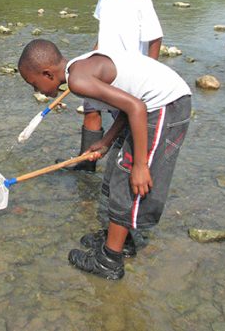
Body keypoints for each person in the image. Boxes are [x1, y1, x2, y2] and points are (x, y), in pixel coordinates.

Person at [18, 39, 191, 280]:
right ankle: (121, 240)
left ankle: (109, 261)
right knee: (115, 173)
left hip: (165, 105)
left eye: (33, 83)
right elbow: (128, 103)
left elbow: (136, 107)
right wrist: (107, 140)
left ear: (47, 73)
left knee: (128, 178)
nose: (35, 90)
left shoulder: (78, 81)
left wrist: (140, 165)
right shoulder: (78, 68)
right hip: (152, 104)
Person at [69, 0, 163, 172]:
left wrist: (149, 74)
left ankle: (129, 167)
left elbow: (155, 37)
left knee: (124, 119)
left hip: (124, 73)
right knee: (91, 109)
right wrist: (89, 60)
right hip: (101, 66)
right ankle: (86, 164)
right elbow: (104, 30)